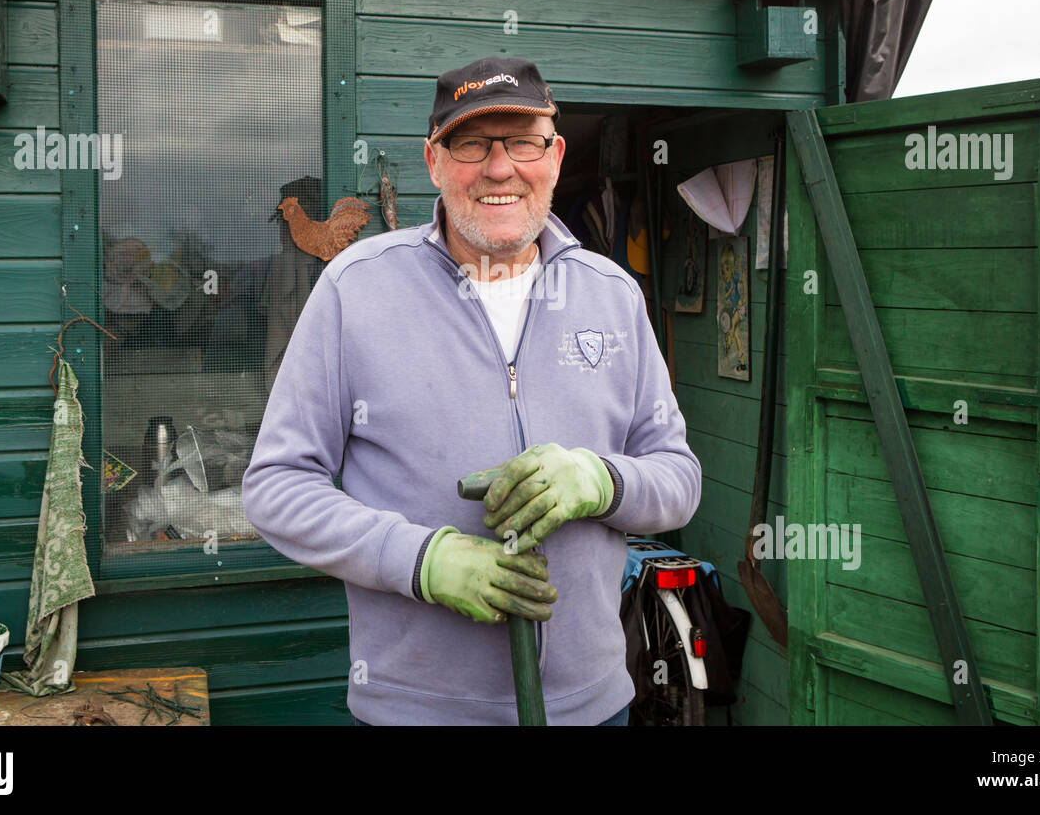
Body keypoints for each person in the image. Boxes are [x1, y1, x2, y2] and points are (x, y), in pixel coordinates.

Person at [242, 56, 701, 725]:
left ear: (555, 154)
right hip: (417, 711)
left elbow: (678, 477)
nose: (498, 167)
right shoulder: (356, 289)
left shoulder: (612, 295)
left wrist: (600, 480)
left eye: (522, 141)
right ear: (433, 160)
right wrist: (419, 559)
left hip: (593, 707)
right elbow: (276, 486)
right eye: (470, 143)